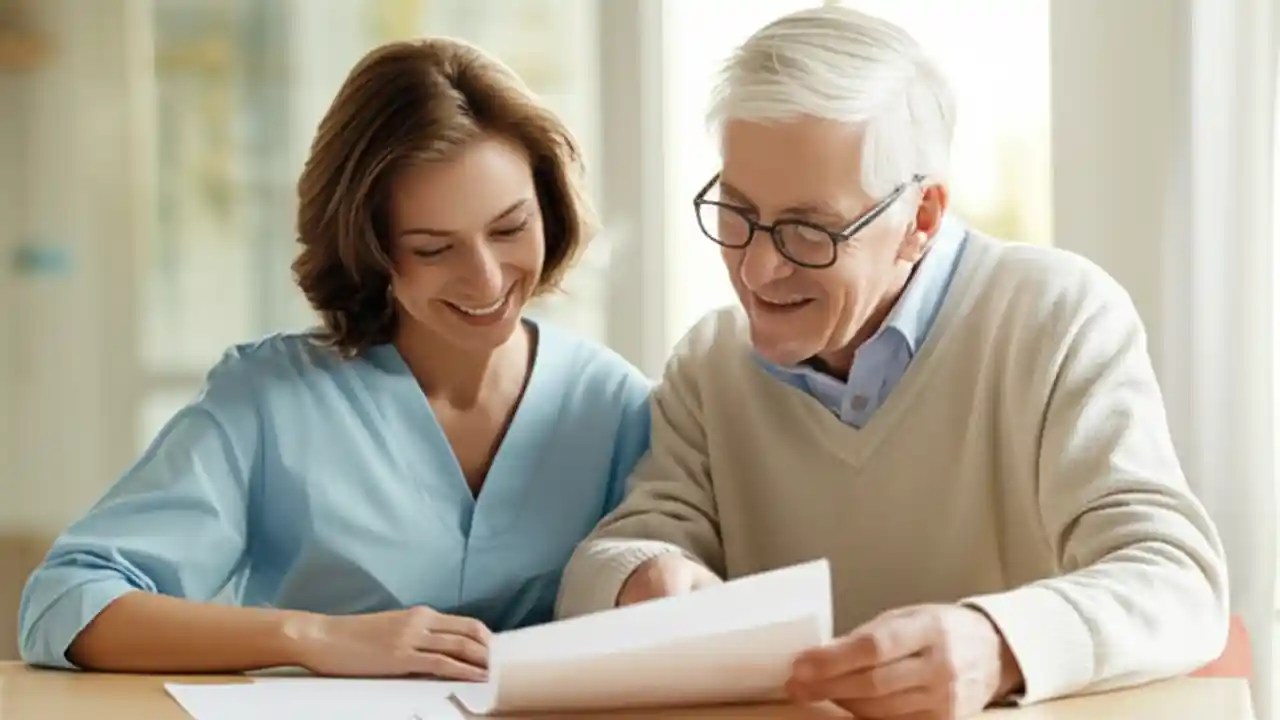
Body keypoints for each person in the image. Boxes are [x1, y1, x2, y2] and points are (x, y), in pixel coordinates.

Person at [557, 6, 1228, 719]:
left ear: (922, 219)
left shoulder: (1054, 318)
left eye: (807, 231)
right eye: (737, 210)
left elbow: (1177, 580)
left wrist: (998, 644)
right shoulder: (711, 363)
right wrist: (641, 577)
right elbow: (621, 549)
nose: (756, 268)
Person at [19, 38, 651, 681]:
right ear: (367, 250)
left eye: (510, 228)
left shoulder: (616, 406)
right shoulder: (270, 400)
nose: (486, 280)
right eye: (433, 249)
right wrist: (313, 638)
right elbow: (66, 605)